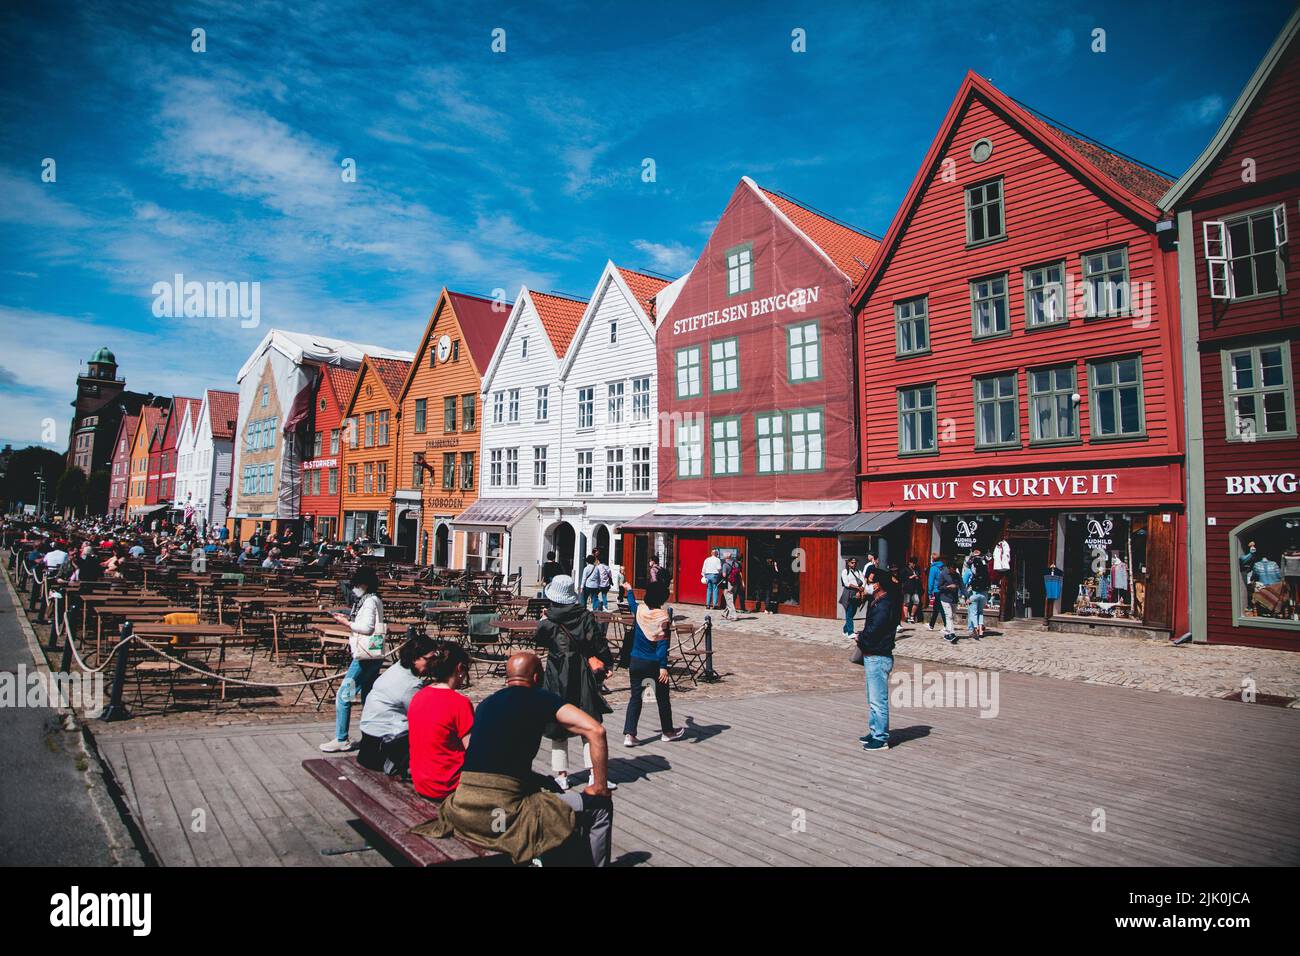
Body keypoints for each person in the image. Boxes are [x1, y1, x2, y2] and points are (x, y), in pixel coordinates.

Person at [421, 651, 612, 866]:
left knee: (548, 794)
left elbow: (495, 761)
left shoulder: (486, 703)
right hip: (499, 817)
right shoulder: (540, 698)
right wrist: (600, 786)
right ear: (537, 678)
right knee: (600, 806)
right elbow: (596, 731)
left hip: (464, 808)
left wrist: (540, 780)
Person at [533, 574, 614, 791]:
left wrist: (543, 620)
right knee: (589, 720)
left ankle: (561, 775)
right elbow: (598, 642)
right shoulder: (585, 616)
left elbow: (539, 639)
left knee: (557, 722)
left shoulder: (548, 621)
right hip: (581, 671)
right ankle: (592, 773)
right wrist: (606, 663)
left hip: (556, 671)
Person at [321, 566, 386, 753]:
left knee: (344, 695)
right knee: (368, 697)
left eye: (356, 584)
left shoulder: (368, 602)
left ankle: (342, 738)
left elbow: (366, 628)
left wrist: (346, 622)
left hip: (364, 657)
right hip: (374, 655)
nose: (354, 588)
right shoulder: (375, 599)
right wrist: (349, 617)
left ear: (363, 584)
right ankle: (369, 737)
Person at [356, 631, 441, 774]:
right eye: (430, 659)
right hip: (383, 750)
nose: (433, 663)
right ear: (415, 658)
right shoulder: (410, 684)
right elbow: (423, 718)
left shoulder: (397, 668)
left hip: (368, 745)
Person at [623, 581, 687, 746]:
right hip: (653, 663)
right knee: (662, 698)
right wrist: (663, 667)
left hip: (636, 660)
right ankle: (667, 731)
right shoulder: (663, 617)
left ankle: (630, 734)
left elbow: (631, 603)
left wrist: (629, 590)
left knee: (635, 698)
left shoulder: (639, 610)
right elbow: (662, 644)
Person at [407, 641, 474, 799]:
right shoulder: (460, 703)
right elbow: (473, 751)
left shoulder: (418, 696)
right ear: (459, 668)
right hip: (448, 785)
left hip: (422, 782)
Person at [855, 566, 901, 752]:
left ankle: (880, 738)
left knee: (878, 699)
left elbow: (875, 631)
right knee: (871, 697)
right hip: (872, 654)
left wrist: (861, 637)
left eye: (872, 581)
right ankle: (874, 730)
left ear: (880, 584)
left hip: (879, 655)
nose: (869, 584)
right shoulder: (877, 601)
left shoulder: (884, 605)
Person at [966, 547, 991, 639]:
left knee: (973, 612)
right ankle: (981, 630)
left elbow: (968, 566)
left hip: (975, 591)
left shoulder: (972, 563)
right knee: (980, 612)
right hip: (984, 592)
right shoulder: (985, 563)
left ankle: (975, 629)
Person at [937, 558, 961, 643]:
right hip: (945, 598)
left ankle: (947, 633)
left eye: (955, 569)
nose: (954, 570)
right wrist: (948, 587)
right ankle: (952, 633)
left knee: (952, 616)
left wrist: (967, 597)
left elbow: (962, 586)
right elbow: (939, 587)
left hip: (954, 599)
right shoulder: (943, 574)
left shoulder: (957, 575)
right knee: (949, 615)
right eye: (953, 568)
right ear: (949, 567)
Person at [839, 557, 865, 635]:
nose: (854, 564)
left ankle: (845, 629)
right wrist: (858, 588)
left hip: (857, 593)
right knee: (849, 612)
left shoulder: (859, 572)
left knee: (853, 612)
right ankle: (850, 632)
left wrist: (861, 589)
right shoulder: (845, 571)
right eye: (852, 562)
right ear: (849, 563)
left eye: (855, 562)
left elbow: (863, 581)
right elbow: (846, 583)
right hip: (849, 593)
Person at [925, 553, 945, 630]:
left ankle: (946, 625)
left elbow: (931, 581)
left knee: (941, 608)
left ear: (932, 559)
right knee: (936, 608)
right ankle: (931, 625)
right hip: (943, 590)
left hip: (937, 590)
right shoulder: (943, 567)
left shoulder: (933, 568)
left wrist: (929, 592)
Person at [902, 556, 922, 623]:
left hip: (915, 588)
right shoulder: (905, 569)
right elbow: (903, 578)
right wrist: (910, 577)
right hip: (907, 588)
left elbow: (919, 576)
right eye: (913, 563)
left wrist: (917, 577)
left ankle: (912, 616)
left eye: (915, 563)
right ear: (910, 563)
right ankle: (906, 617)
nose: (914, 565)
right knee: (906, 602)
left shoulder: (917, 569)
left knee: (917, 601)